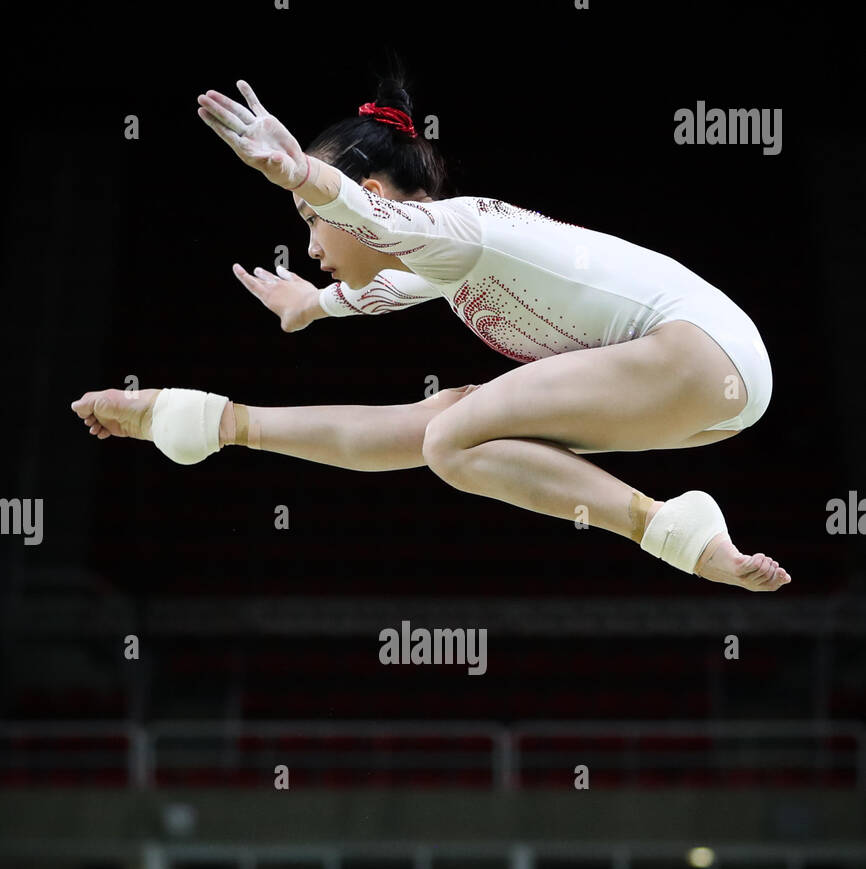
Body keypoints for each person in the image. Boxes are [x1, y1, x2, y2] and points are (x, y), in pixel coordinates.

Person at [70, 62, 789, 592]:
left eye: (309, 226)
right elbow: (369, 294)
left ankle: (669, 529)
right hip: (715, 398)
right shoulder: (439, 267)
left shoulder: (454, 228)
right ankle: (217, 423)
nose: (312, 247)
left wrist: (301, 177)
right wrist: (306, 309)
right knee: (444, 424)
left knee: (453, 437)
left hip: (699, 352)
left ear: (369, 193)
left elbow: (371, 220)